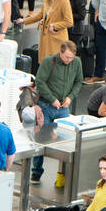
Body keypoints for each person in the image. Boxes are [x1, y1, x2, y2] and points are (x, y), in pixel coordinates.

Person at [30, 41, 83, 183]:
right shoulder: (49, 61)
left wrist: (70, 97)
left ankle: (62, 175)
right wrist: (52, 99)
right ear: (60, 52)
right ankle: (36, 171)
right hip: (46, 106)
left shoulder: (76, 62)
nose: (69, 60)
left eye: (71, 57)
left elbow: (79, 81)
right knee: (41, 139)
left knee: (65, 141)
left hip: (63, 108)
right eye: (66, 57)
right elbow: (40, 81)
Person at [22, 0, 73, 66]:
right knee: (45, 64)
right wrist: (23, 21)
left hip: (56, 40)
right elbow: (39, 15)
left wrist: (55, 26)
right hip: (46, 39)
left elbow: (69, 21)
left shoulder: (64, 1)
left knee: (54, 65)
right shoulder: (48, 1)